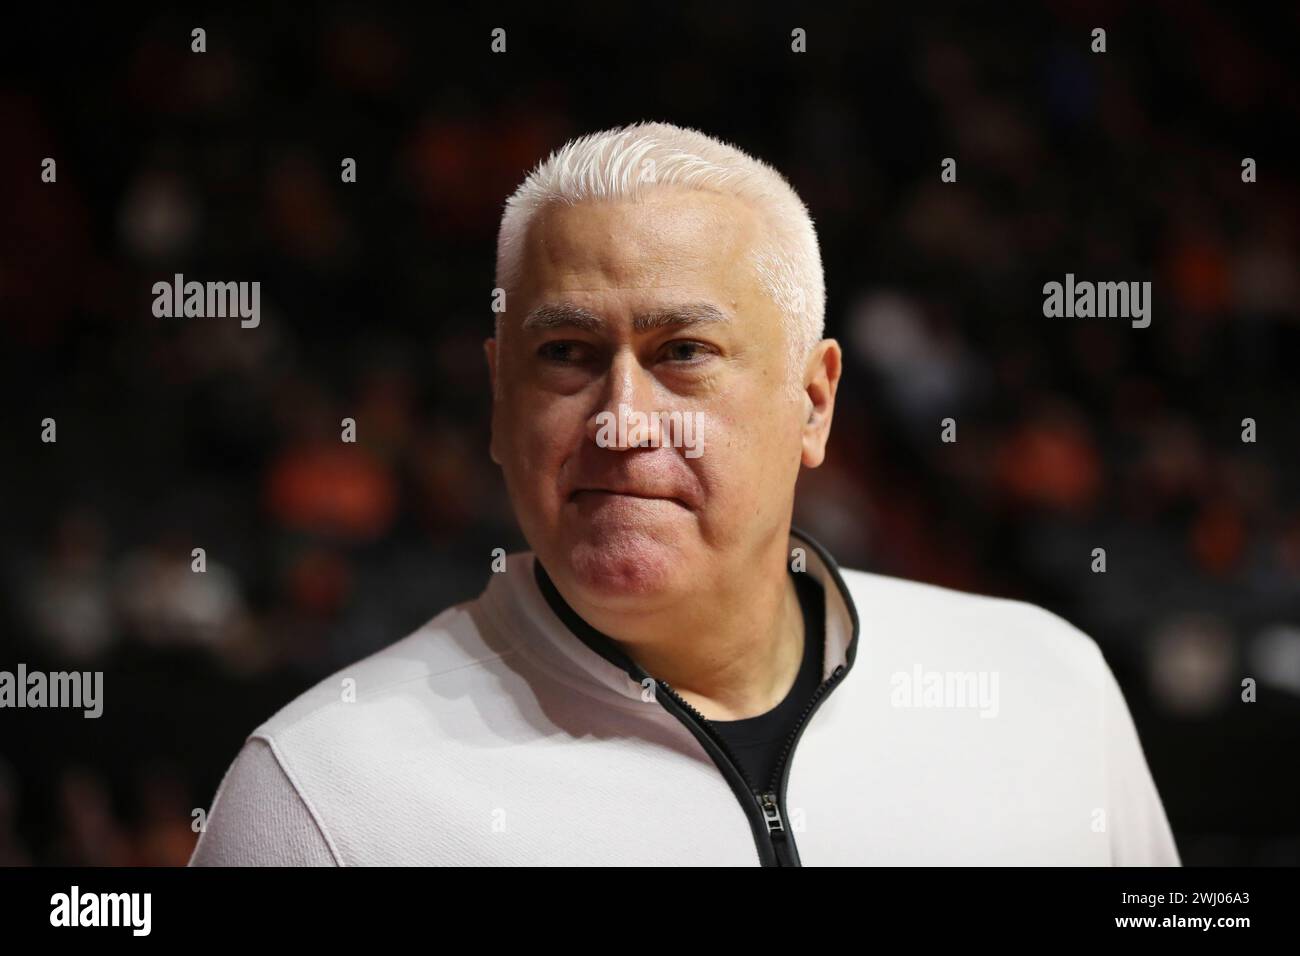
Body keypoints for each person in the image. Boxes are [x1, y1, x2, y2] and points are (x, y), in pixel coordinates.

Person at [189, 121, 1179, 866]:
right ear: (499, 403)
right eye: (567, 354)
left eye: (684, 352)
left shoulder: (1050, 688)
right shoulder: (321, 792)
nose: (621, 419)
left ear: (813, 401)